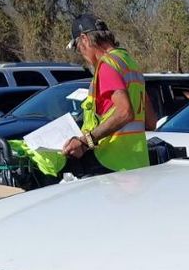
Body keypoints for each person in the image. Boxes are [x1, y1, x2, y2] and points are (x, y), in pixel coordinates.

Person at [62, 14, 155, 174]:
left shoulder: (107, 65)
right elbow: (151, 122)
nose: (81, 55)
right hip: (137, 162)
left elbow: (125, 113)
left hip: (111, 163)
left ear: (84, 38)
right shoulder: (129, 62)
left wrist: (85, 142)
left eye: (78, 48)